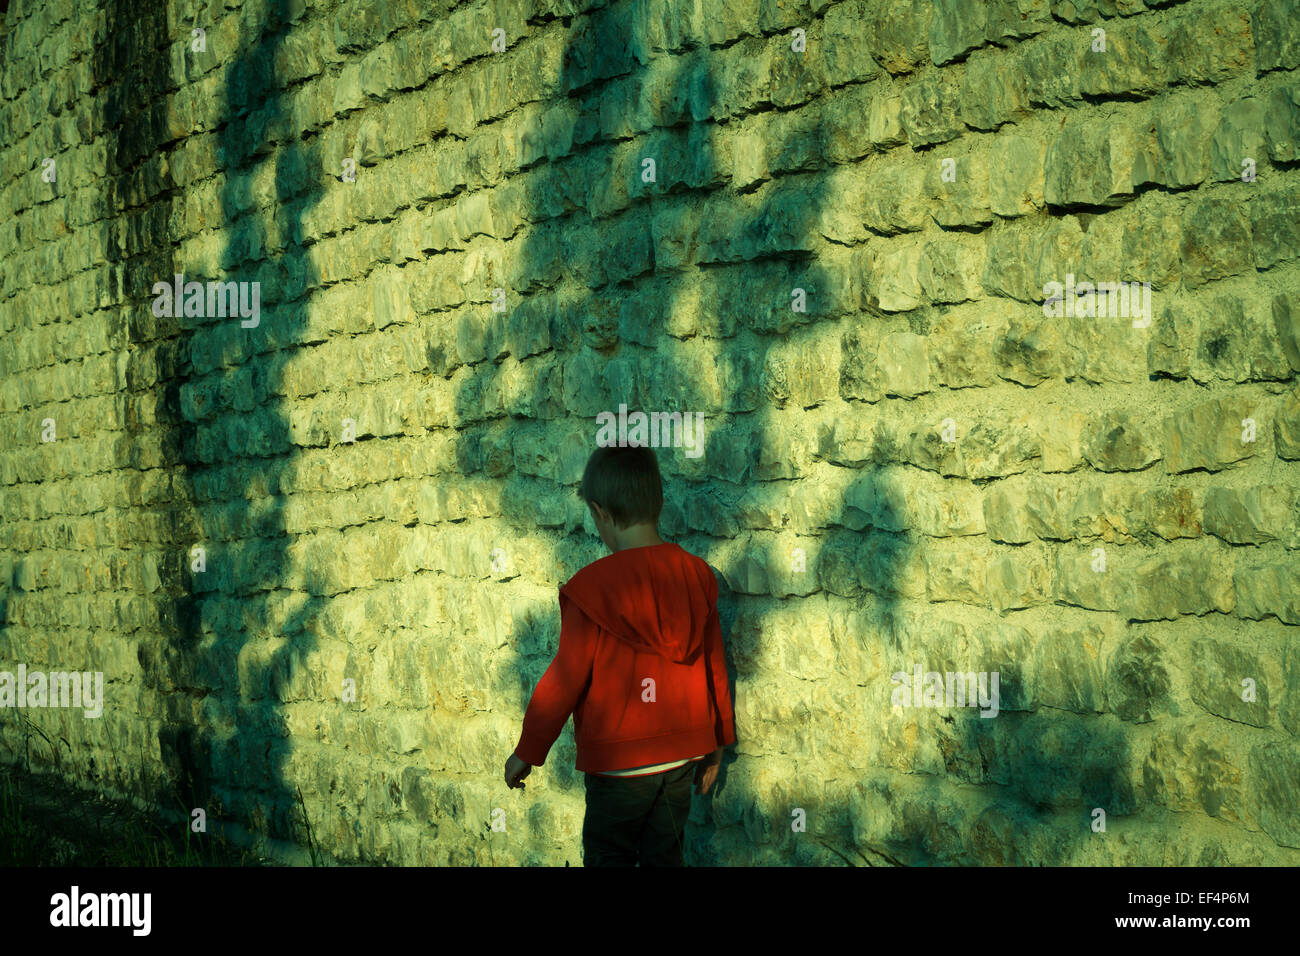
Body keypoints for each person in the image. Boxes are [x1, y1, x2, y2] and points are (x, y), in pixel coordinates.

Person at [504, 444, 736, 866]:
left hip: (619, 768)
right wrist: (718, 742)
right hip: (682, 758)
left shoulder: (590, 589)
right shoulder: (697, 575)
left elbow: (565, 678)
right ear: (658, 503)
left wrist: (528, 750)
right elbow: (714, 667)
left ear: (601, 513)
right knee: (666, 859)